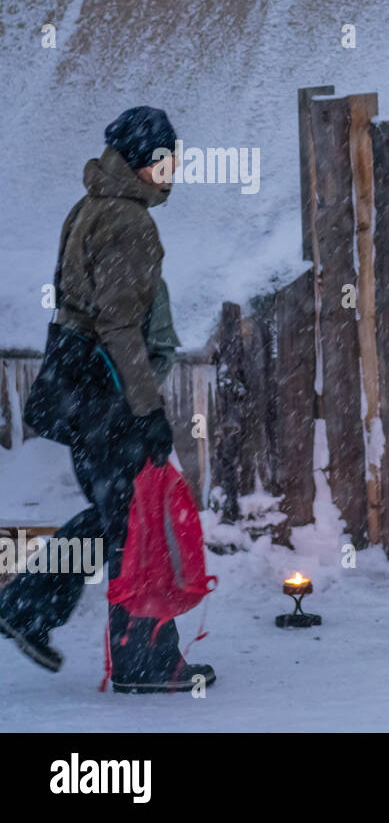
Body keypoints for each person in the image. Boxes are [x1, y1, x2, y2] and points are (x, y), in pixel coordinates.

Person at [0, 106, 216, 691]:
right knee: (138, 525)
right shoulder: (129, 221)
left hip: (76, 385)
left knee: (117, 514)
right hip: (106, 392)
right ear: (142, 162)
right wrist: (148, 411)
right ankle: (143, 662)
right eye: (165, 160)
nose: (173, 171)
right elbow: (119, 327)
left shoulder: (89, 207)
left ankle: (29, 606)